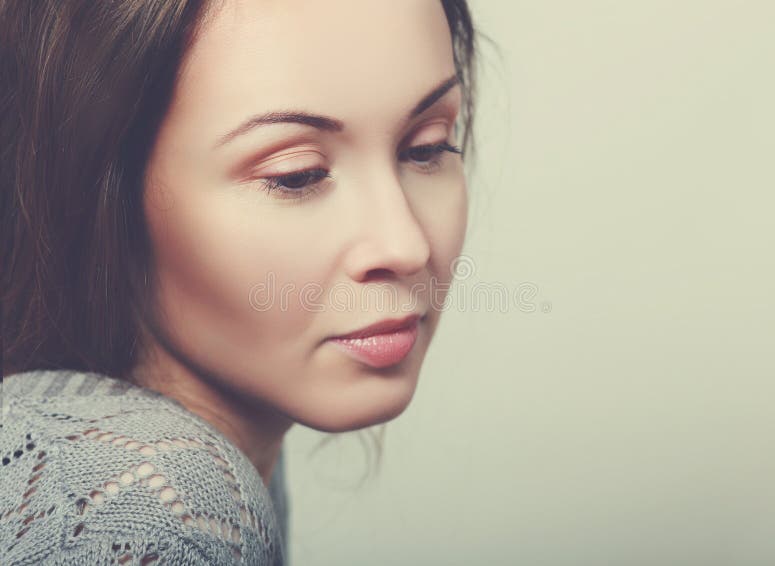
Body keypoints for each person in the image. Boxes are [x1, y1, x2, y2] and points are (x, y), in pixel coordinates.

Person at [0, 0, 479, 563]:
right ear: (101, 195)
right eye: (296, 175)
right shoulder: (148, 501)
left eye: (427, 147)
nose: (406, 245)